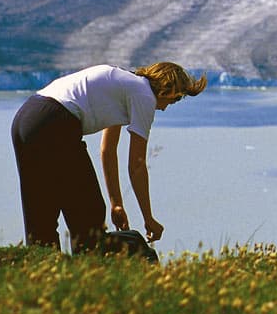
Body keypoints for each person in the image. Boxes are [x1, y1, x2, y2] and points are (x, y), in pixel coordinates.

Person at [11, 62, 207, 252]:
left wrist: (116, 204)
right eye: (174, 100)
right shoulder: (145, 96)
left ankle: (41, 271)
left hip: (26, 118)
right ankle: (101, 266)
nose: (165, 108)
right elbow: (137, 165)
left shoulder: (125, 84)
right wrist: (149, 219)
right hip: (55, 121)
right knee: (89, 220)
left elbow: (108, 150)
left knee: (40, 219)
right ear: (167, 90)